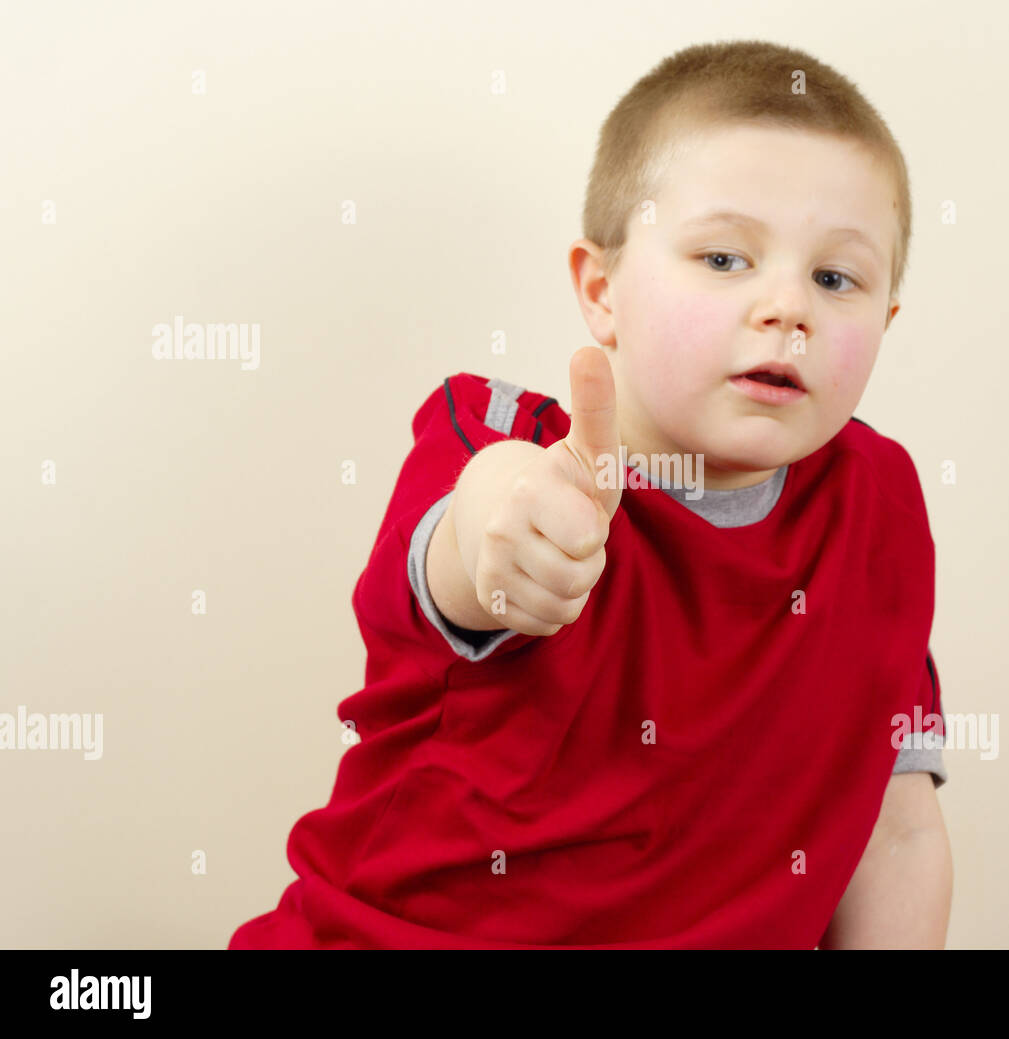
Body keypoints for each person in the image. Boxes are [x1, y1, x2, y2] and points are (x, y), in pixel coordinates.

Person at [229, 38, 951, 950]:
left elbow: (896, 824)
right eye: (725, 259)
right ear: (602, 291)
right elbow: (468, 541)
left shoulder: (880, 506)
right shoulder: (494, 441)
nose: (787, 307)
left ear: (884, 318)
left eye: (835, 277)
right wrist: (510, 535)